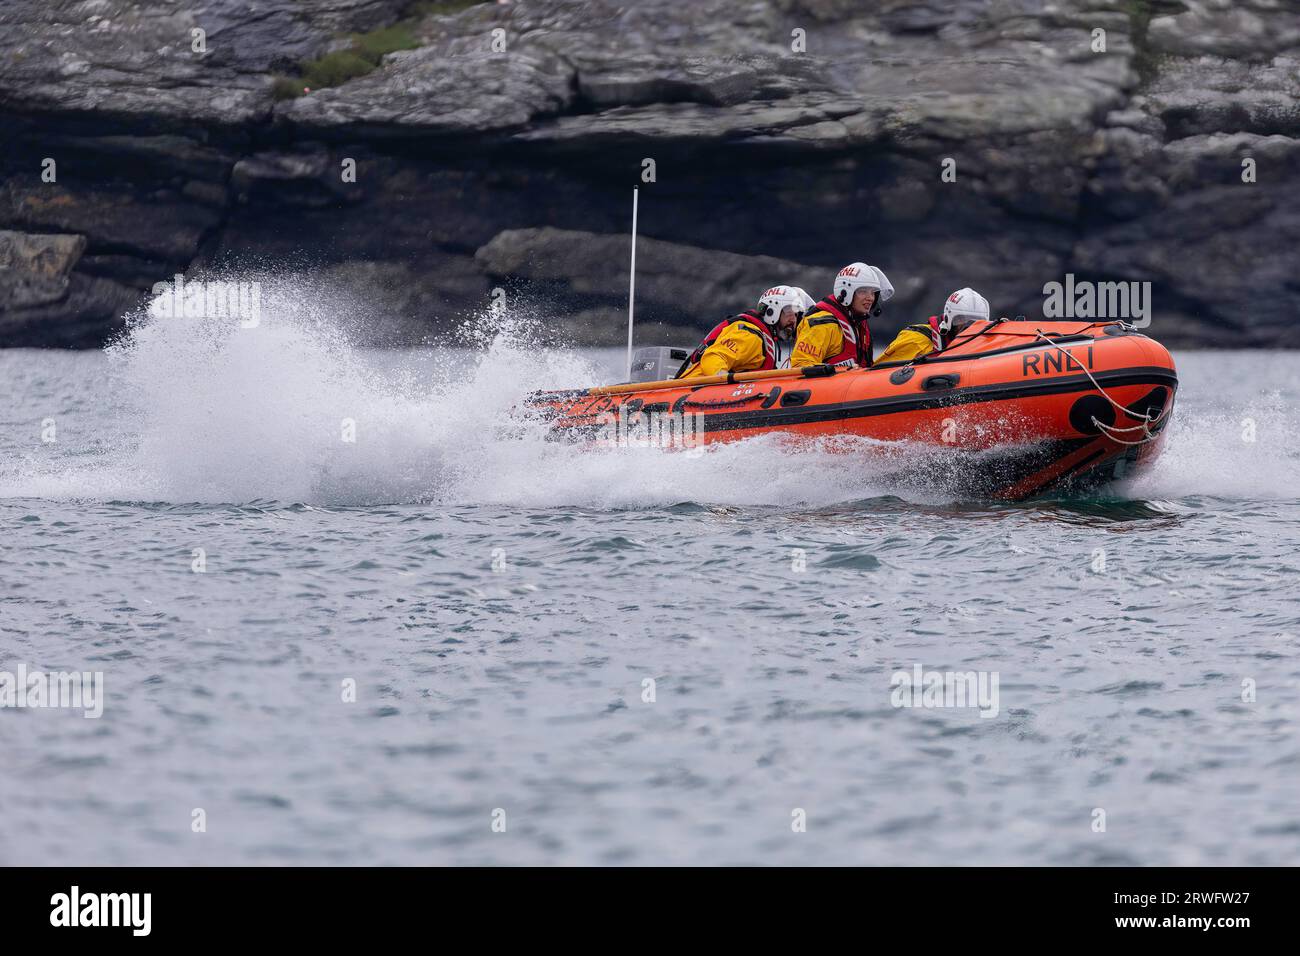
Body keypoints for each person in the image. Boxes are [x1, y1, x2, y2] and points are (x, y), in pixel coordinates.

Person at [676, 285, 810, 379]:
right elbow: (712, 358)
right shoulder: (749, 336)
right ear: (772, 311)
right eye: (789, 313)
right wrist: (727, 383)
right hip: (693, 391)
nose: (793, 320)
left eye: (796, 315)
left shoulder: (764, 340)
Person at [790, 262, 894, 369]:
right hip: (830, 385)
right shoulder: (821, 325)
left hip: (853, 383)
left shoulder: (858, 324)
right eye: (863, 291)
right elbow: (801, 365)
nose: (870, 298)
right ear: (845, 292)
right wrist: (838, 371)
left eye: (873, 293)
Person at [876, 287, 990, 363]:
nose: (968, 326)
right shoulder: (916, 341)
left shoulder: (982, 347)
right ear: (948, 318)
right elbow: (877, 375)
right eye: (960, 319)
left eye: (975, 322)